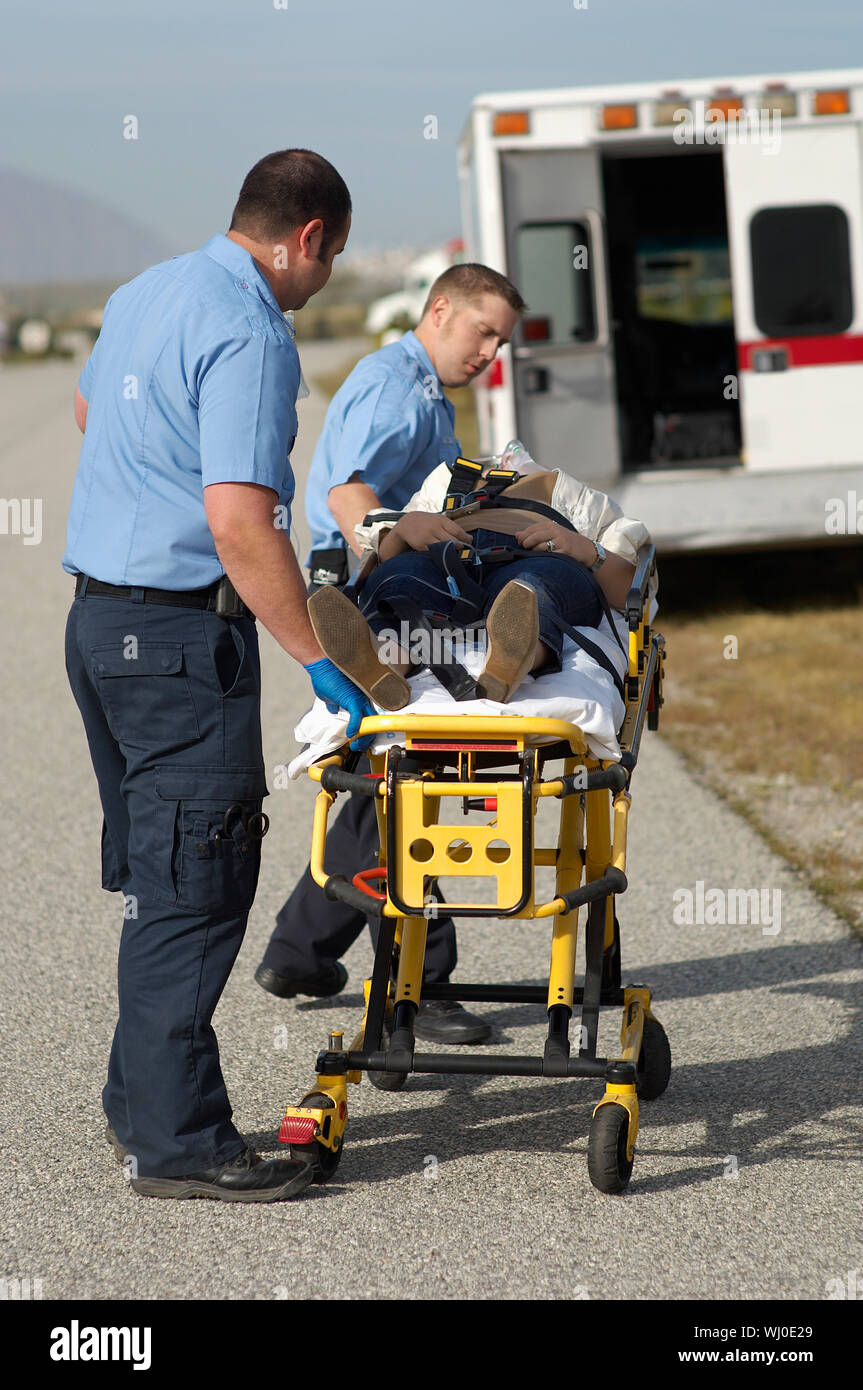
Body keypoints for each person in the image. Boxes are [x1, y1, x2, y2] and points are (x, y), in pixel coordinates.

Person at [64, 149, 375, 1203]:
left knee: (163, 876)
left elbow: (84, 415)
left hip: (102, 624)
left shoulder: (145, 290)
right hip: (179, 644)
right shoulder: (249, 327)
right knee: (196, 883)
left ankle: (136, 1104)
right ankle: (181, 1142)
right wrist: (318, 660)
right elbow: (242, 525)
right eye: (328, 259)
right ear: (312, 239)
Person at [256, 265, 526, 1045]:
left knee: (385, 781)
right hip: (364, 591)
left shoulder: (419, 387)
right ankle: (424, 985)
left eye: (500, 342)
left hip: (374, 586)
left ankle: (299, 952)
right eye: (482, 332)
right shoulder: (398, 388)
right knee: (411, 775)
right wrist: (396, 537)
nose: (489, 353)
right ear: (439, 310)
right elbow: (346, 494)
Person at [307, 446, 656, 705]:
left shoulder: (573, 495)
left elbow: (633, 588)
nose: (509, 456)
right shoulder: (443, 482)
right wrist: (402, 531)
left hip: (537, 556)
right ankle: (384, 665)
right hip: (442, 559)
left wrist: (585, 550)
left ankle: (510, 661)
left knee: (533, 592)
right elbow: (378, 559)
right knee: (401, 583)